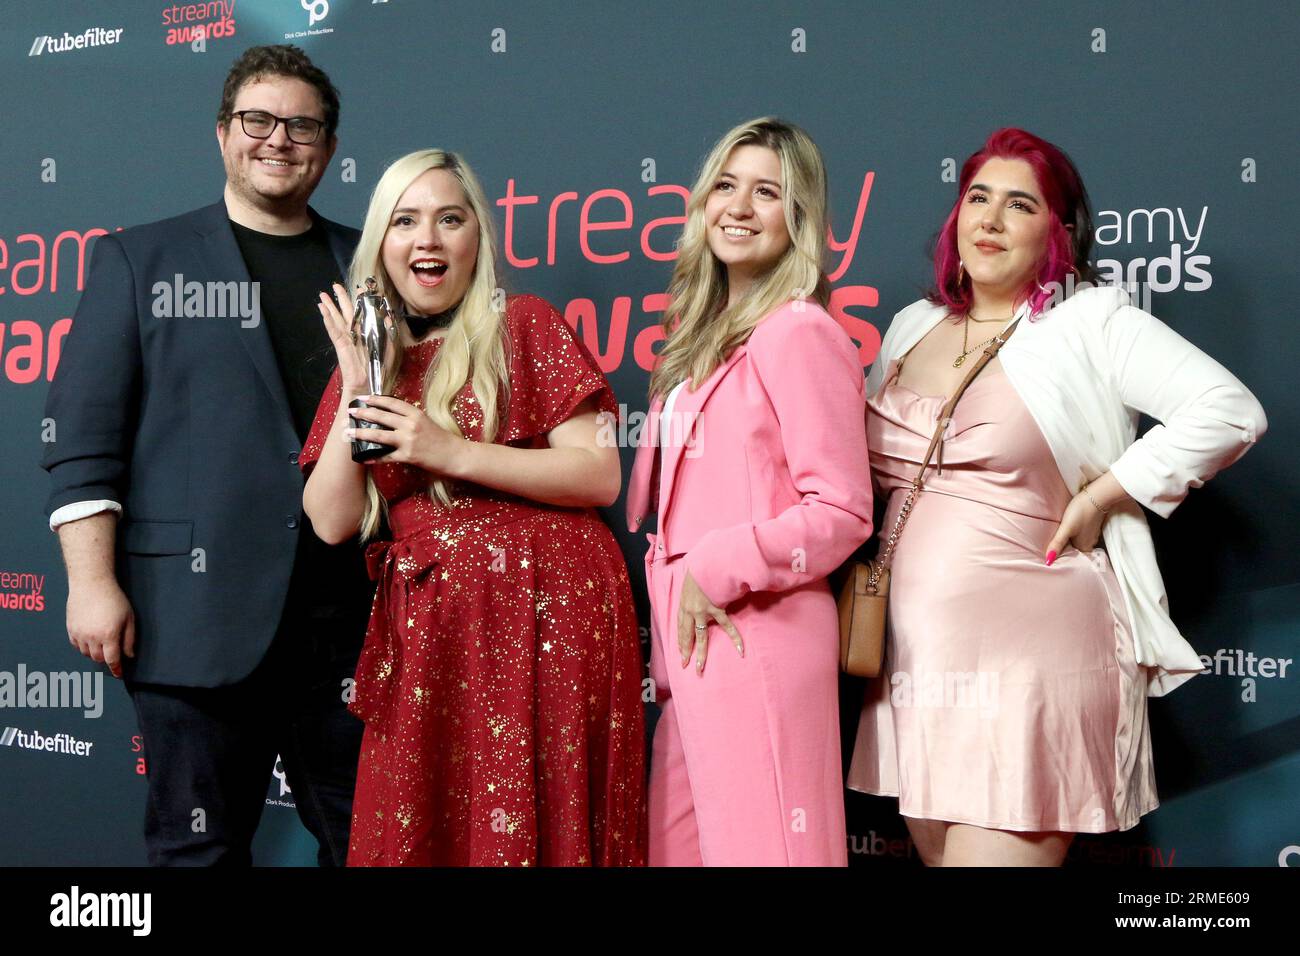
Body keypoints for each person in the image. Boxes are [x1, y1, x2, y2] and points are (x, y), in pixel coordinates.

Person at [846, 127, 1268, 866]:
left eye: (1020, 204)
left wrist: (1105, 492)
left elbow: (1230, 410)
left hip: (1029, 662)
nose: (990, 219)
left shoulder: (1088, 324)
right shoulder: (911, 328)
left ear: (1058, 233)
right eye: (978, 198)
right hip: (915, 663)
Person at [41, 45, 373, 865]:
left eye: (303, 125)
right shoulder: (138, 260)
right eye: (258, 120)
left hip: (349, 624)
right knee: (199, 851)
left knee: (373, 845)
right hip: (190, 624)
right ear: (222, 134)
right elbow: (82, 438)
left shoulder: (370, 263)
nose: (279, 140)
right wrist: (91, 583)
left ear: (329, 149)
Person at [301, 148, 646, 867]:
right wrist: (357, 379)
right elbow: (331, 519)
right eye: (406, 220)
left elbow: (598, 475)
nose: (427, 238)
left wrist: (446, 449)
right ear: (382, 244)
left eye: (449, 219)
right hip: (434, 628)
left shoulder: (521, 322)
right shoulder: (373, 365)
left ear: (476, 239)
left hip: (548, 611)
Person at [624, 117, 873, 866]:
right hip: (692, 649)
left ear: (798, 218)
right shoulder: (703, 338)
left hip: (756, 631)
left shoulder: (797, 331)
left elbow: (842, 509)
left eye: (766, 192)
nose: (737, 206)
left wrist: (718, 563)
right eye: (724, 187)